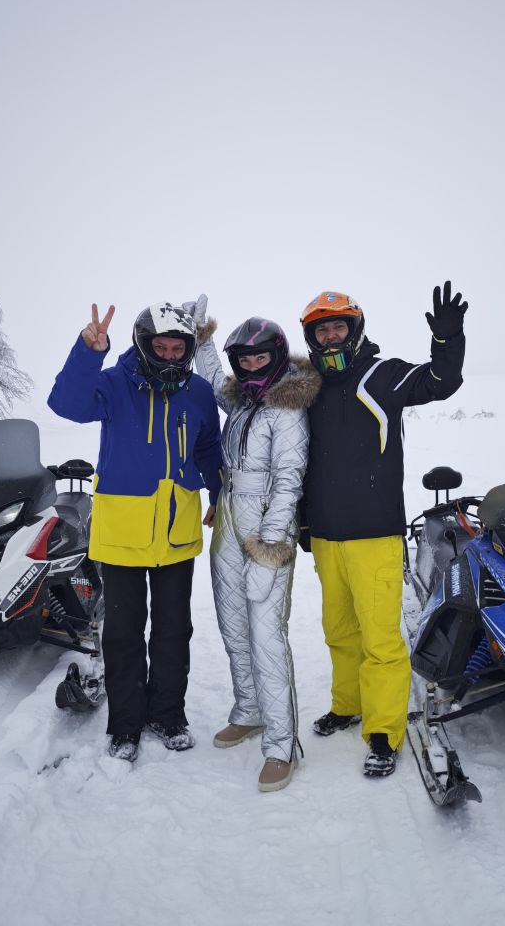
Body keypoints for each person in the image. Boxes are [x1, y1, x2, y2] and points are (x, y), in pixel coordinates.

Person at [299, 282, 467, 777]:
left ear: (354, 329)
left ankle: (383, 730)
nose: (330, 337)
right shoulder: (308, 388)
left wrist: (447, 339)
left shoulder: (383, 374)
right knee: (339, 631)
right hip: (326, 536)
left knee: (380, 639)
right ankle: (347, 704)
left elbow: (441, 381)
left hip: (374, 533)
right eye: (321, 329)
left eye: (338, 327)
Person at [48, 301, 222, 763]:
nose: (167, 355)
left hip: (176, 532)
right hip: (122, 534)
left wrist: (219, 494)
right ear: (144, 345)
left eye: (176, 348)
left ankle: (168, 715)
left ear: (186, 351)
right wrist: (90, 352)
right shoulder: (114, 383)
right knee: (123, 633)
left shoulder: (200, 393)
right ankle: (125, 724)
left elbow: (208, 450)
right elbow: (66, 404)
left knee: (172, 630)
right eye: (159, 346)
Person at [190, 296, 320, 792]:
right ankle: (249, 710)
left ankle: (282, 744)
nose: (249, 366)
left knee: (267, 635)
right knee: (233, 626)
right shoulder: (244, 401)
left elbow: (289, 481)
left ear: (279, 356)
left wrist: (270, 548)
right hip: (227, 518)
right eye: (243, 359)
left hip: (267, 528)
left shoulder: (286, 410)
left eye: (258, 358)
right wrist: (202, 338)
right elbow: (214, 381)